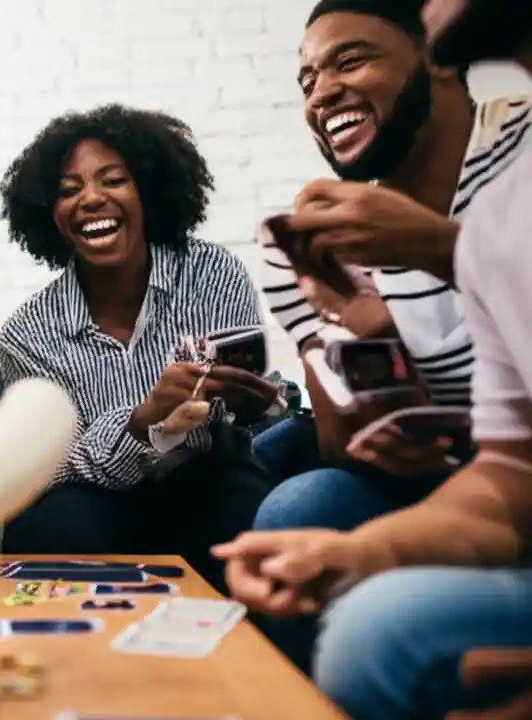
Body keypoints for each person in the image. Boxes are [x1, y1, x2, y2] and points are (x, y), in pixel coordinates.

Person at [215, 4, 532, 717]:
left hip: (488, 481)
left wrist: (444, 252)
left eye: (350, 61)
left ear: (435, 57)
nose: (320, 93)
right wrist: (365, 337)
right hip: (472, 479)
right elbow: (512, 467)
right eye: (306, 80)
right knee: (303, 508)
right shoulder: (320, 238)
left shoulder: (511, 171)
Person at [0, 105, 278, 592]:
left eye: (113, 180)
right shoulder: (27, 333)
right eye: (68, 190)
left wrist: (251, 405)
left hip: (204, 479)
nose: (91, 199)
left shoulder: (213, 273)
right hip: (94, 498)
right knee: (52, 522)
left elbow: (237, 420)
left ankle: (242, 637)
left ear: (147, 190)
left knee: (237, 494)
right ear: (48, 214)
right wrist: (141, 422)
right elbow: (51, 465)